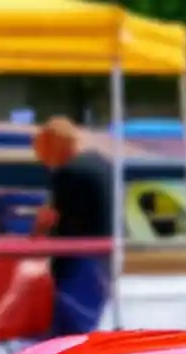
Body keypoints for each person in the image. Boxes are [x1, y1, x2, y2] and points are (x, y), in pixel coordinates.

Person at [31, 116, 112, 335]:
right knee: (90, 323)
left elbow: (50, 217)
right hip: (105, 256)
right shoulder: (104, 164)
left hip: (75, 259)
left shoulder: (68, 172)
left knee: (69, 331)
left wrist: (35, 235)